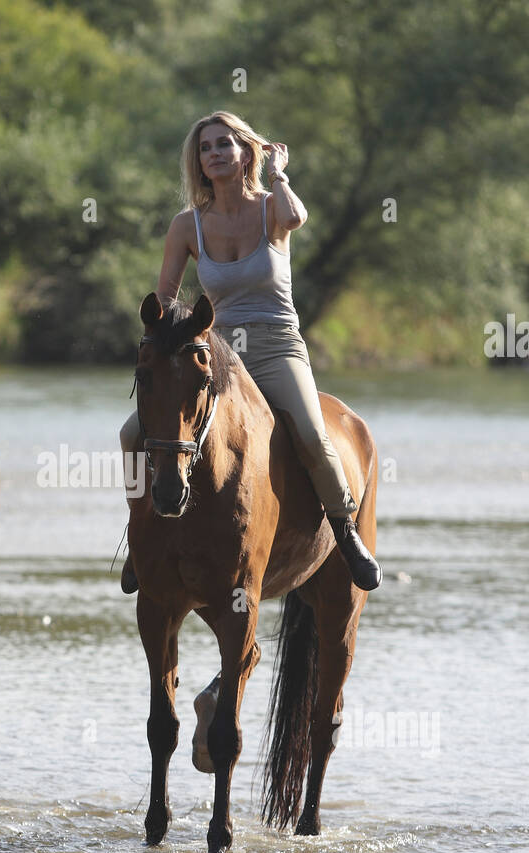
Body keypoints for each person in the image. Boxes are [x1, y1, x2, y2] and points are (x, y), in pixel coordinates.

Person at [120, 111, 381, 592]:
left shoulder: (271, 210)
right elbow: (166, 303)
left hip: (277, 345)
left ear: (246, 154)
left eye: (224, 144)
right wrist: (162, 348)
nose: (214, 153)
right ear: (197, 162)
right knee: (133, 431)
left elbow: (297, 217)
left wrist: (280, 173)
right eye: (205, 148)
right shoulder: (186, 226)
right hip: (219, 355)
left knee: (311, 432)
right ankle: (140, 533)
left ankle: (344, 531)